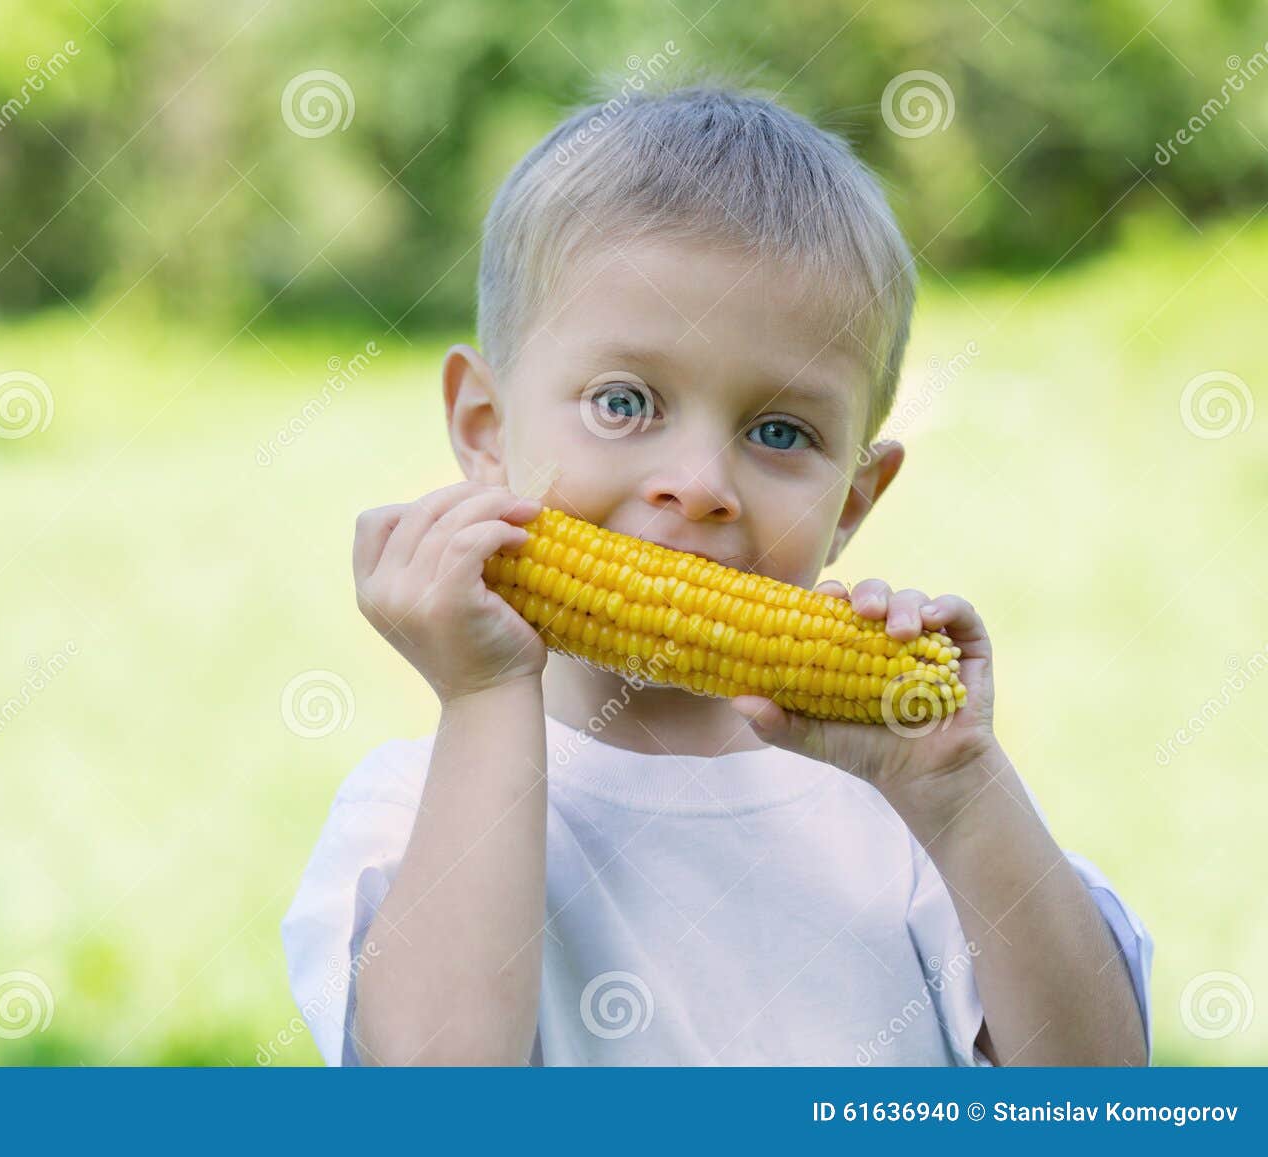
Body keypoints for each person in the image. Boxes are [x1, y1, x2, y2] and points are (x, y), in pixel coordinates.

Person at [282, 83, 1153, 1066]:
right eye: (624, 402)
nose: (700, 485)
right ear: (484, 430)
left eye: (780, 431)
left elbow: (1101, 1094)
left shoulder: (904, 812)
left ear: (854, 500)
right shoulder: (406, 811)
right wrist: (485, 694)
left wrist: (959, 790)